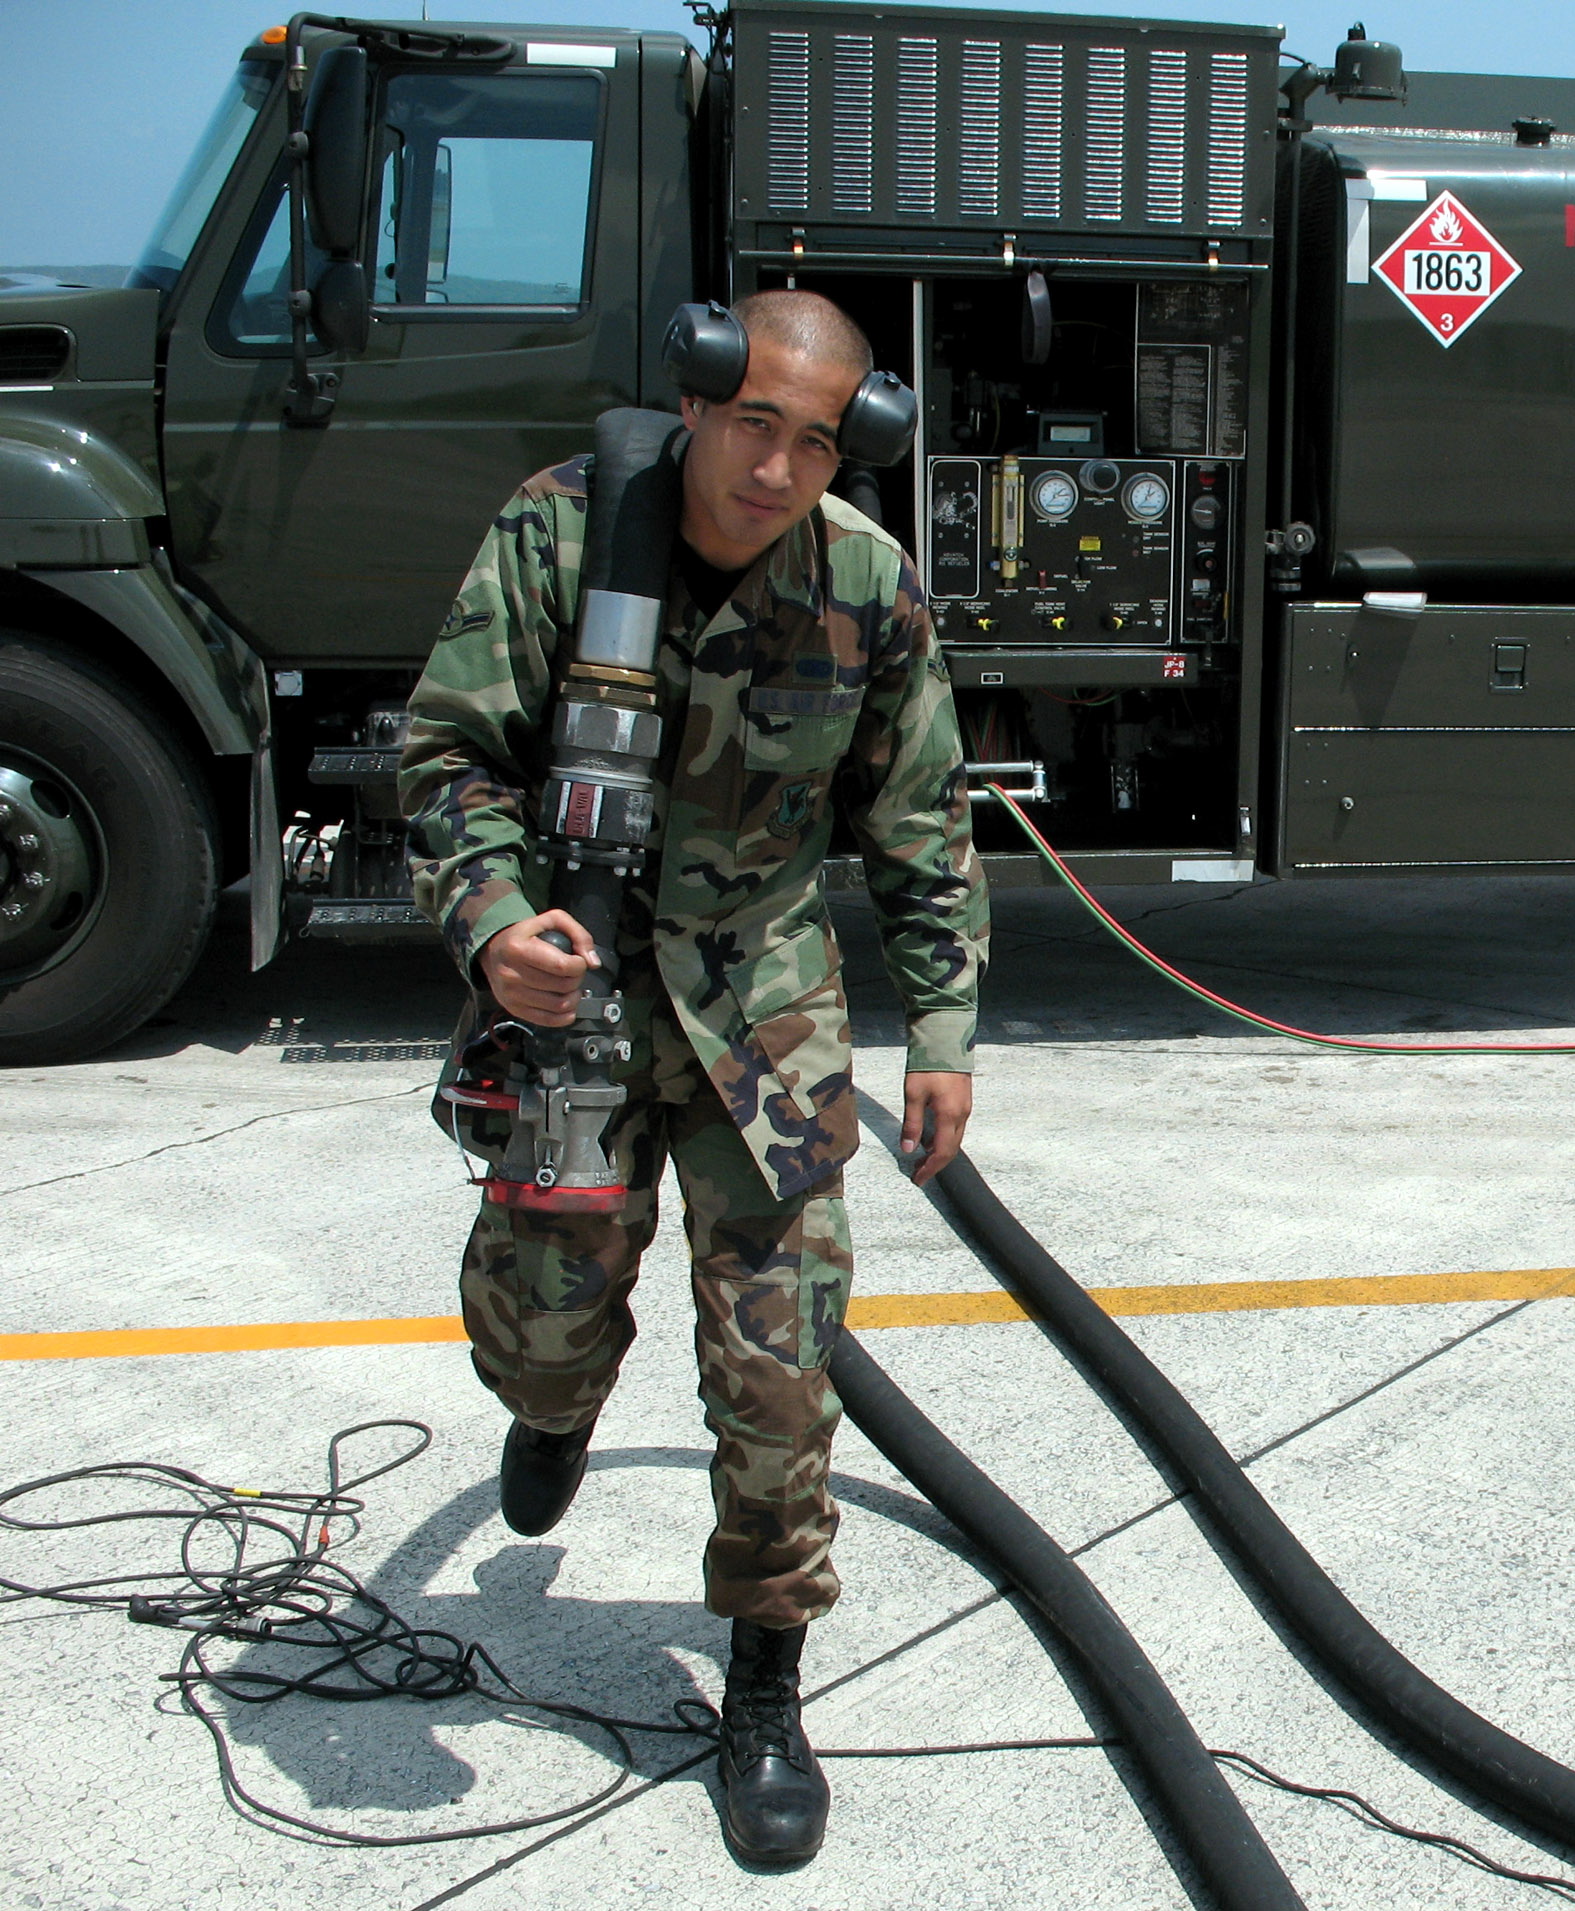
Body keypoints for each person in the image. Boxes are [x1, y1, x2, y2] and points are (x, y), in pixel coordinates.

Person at [399, 289, 987, 1866]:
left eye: (815, 444)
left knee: (781, 1374)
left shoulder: (864, 585)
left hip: (764, 1018)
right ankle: (553, 1410)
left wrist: (943, 1031)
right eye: (752, 425)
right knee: (542, 1326)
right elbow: (447, 755)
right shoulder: (562, 533)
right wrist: (492, 926)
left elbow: (922, 825)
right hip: (577, 1001)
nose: (774, 470)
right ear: (700, 401)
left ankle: (767, 1684)